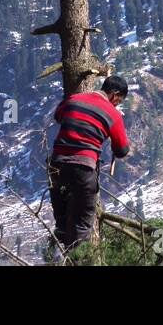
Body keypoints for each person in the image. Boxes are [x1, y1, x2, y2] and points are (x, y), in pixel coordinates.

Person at [47, 75, 131, 250]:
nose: (117, 104)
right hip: (83, 167)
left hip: (56, 164)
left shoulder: (73, 99)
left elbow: (58, 115)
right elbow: (122, 150)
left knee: (61, 215)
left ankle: (61, 233)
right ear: (114, 95)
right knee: (83, 225)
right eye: (119, 101)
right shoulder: (113, 114)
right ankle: (79, 256)